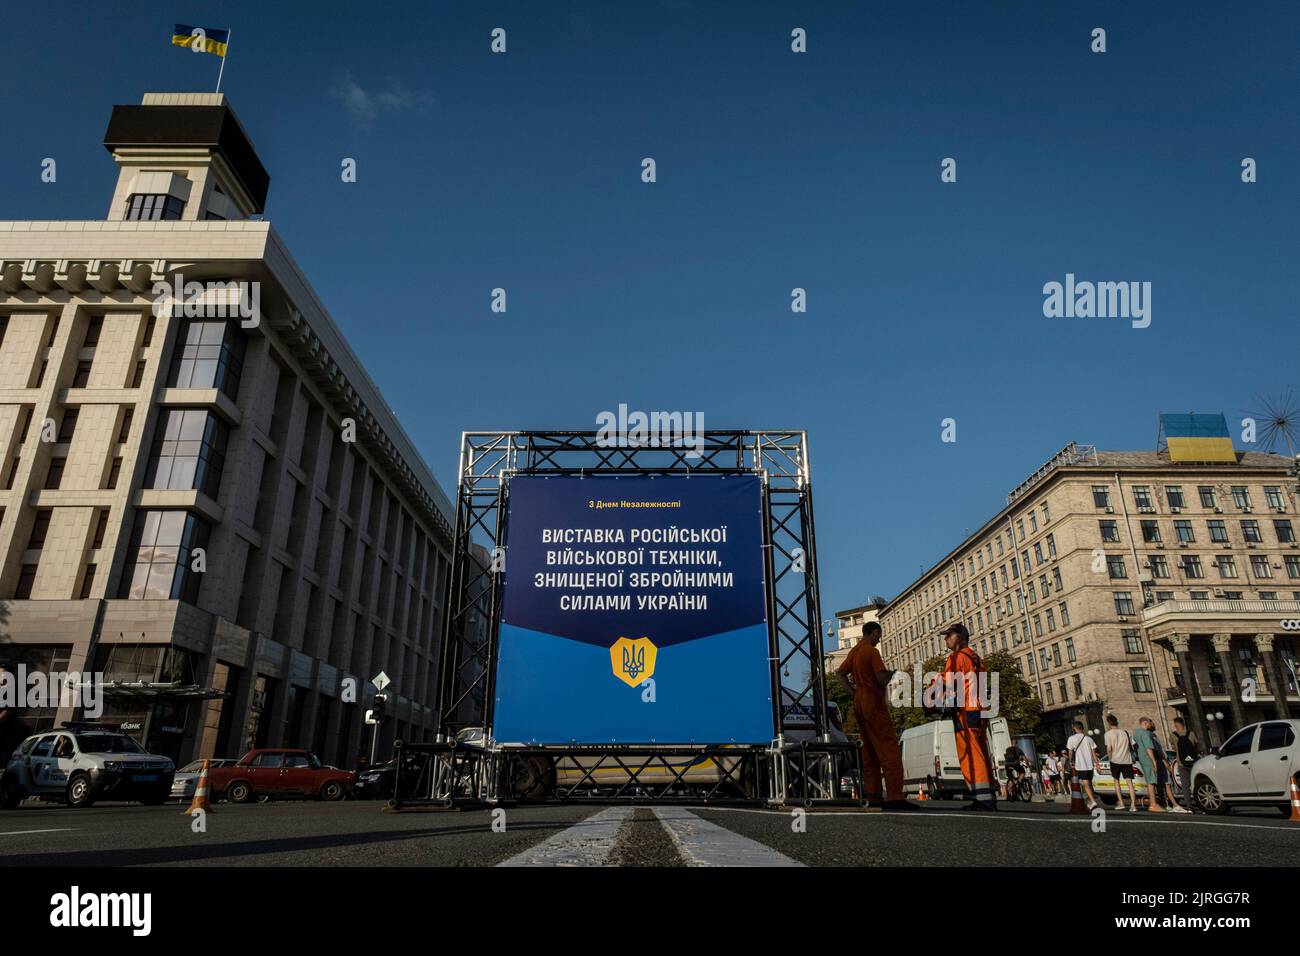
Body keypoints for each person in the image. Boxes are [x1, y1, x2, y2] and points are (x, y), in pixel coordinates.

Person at [837, 621, 915, 810]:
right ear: (873, 632)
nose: (879, 638)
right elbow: (880, 678)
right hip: (873, 701)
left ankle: (873, 795)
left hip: (859, 702)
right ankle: (896, 796)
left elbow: (840, 673)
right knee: (889, 749)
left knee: (869, 751)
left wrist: (853, 693)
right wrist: (892, 674)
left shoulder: (854, 651)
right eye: (878, 635)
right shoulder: (871, 652)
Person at [931, 623, 997, 810]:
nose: (945, 639)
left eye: (949, 635)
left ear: (960, 637)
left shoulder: (956, 657)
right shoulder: (975, 657)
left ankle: (983, 800)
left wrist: (935, 702)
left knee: (971, 754)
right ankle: (987, 796)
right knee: (981, 751)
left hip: (966, 710)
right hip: (980, 709)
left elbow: (949, 684)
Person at [1133, 717, 1190, 813]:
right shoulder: (1146, 734)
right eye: (1151, 722)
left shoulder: (1136, 734)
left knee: (1158, 782)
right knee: (1152, 782)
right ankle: (1154, 804)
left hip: (1145, 759)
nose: (1152, 724)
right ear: (1145, 723)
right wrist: (1155, 761)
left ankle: (1170, 805)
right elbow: (1149, 748)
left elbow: (1136, 748)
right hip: (1151, 760)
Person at [1103, 713, 1139, 812]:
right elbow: (1131, 747)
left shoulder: (1108, 734)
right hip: (1127, 760)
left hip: (1115, 760)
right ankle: (1133, 805)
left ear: (1108, 723)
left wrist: (1110, 759)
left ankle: (1121, 803)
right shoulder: (1125, 732)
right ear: (1117, 721)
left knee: (1116, 782)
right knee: (1129, 783)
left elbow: (1109, 749)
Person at [1065, 721, 1100, 810]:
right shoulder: (1089, 738)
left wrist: (1071, 761)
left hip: (1080, 764)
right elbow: (1093, 753)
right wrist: (1097, 764)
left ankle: (1092, 800)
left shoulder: (1071, 738)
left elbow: (1070, 752)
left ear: (1075, 728)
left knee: (1086, 784)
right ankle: (1090, 800)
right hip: (1090, 765)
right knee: (1089, 783)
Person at [1170, 717, 1199, 808]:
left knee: (1185, 785)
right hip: (1194, 763)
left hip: (1181, 763)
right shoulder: (1191, 733)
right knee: (1196, 784)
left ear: (1176, 725)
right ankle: (1200, 804)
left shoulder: (1173, 735)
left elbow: (1174, 747)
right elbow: (1196, 745)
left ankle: (1189, 806)